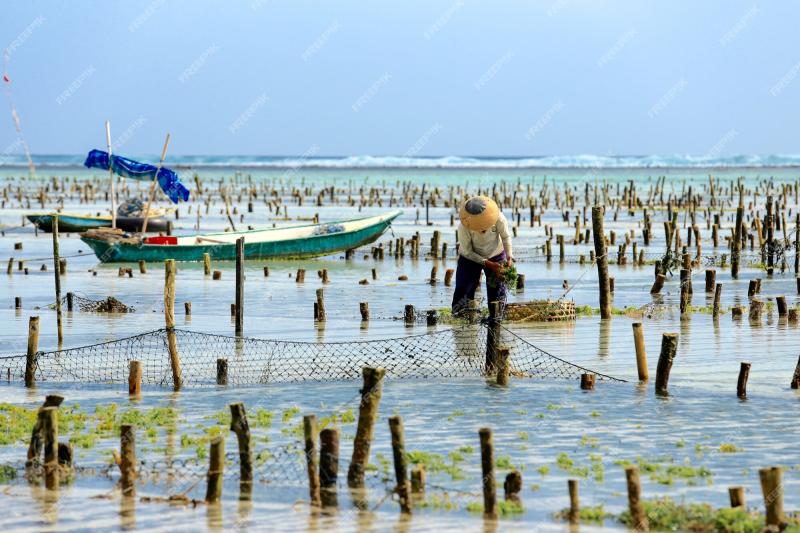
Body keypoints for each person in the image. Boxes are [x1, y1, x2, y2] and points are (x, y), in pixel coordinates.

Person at [451, 195, 513, 315]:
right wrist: (489, 264)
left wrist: (509, 257)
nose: (482, 231)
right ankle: (459, 315)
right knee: (464, 288)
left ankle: (497, 315)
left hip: (496, 253)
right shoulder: (464, 226)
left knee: (497, 289)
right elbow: (468, 252)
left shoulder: (498, 218)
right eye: (479, 228)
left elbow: (506, 237)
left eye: (484, 227)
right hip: (470, 257)